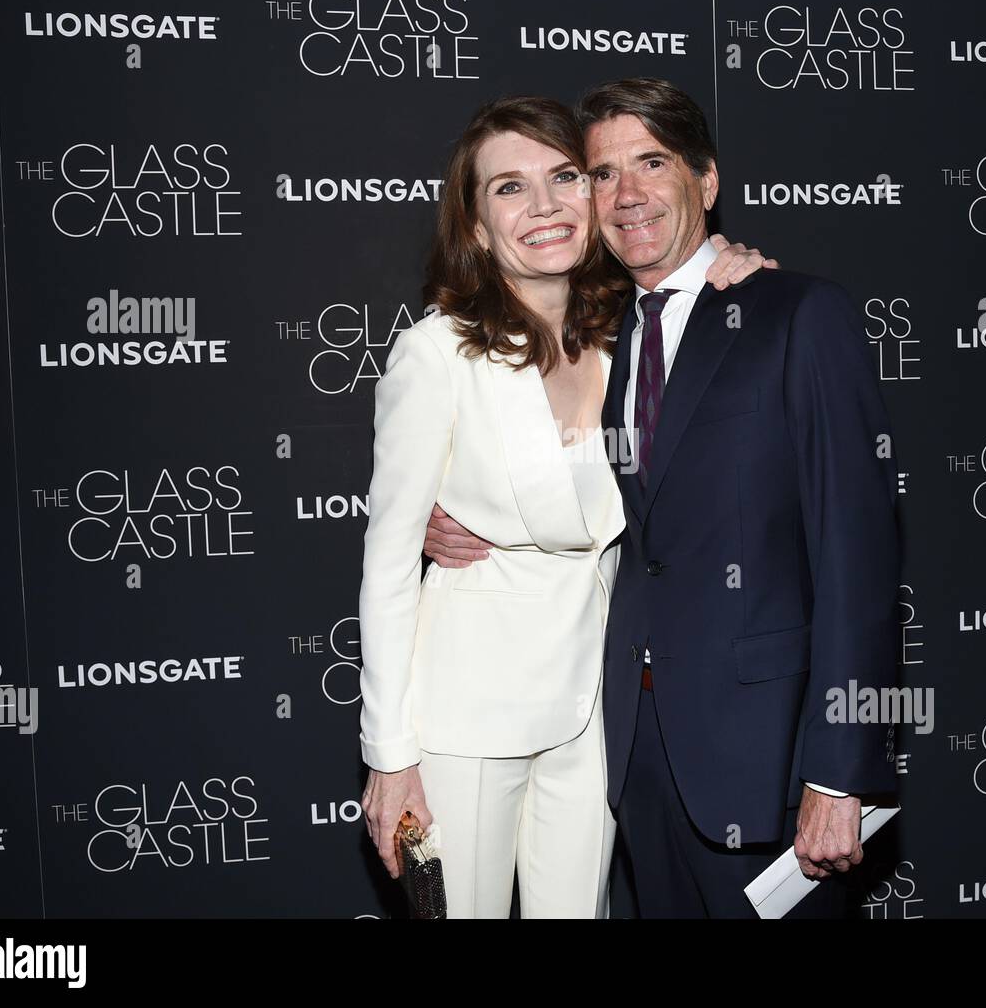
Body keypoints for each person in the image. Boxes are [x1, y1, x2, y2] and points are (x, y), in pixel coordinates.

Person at [425, 78, 902, 918]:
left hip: (771, 765)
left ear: (706, 182)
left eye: (652, 162)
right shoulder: (597, 336)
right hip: (632, 764)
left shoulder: (797, 316)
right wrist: (444, 511)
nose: (628, 193)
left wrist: (841, 770)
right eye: (602, 174)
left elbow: (858, 559)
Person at [356, 93, 775, 918]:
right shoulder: (437, 353)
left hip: (595, 714)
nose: (543, 205)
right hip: (465, 721)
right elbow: (387, 569)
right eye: (509, 188)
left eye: (564, 177)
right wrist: (390, 754)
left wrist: (735, 264)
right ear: (476, 225)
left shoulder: (638, 337)